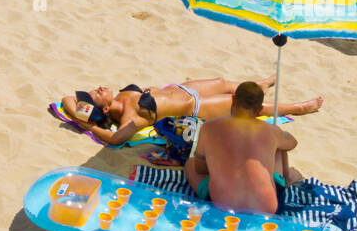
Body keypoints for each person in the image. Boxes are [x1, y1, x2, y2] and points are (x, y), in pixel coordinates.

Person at [62, 75, 322, 152]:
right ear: (105, 109)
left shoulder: (120, 96)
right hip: (196, 107)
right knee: (243, 104)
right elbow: (117, 139)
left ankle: (261, 84)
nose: (97, 88)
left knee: (223, 82)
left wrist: (78, 111)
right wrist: (87, 124)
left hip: (185, 89)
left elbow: (66, 100)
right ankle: (298, 107)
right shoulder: (132, 117)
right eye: (95, 95)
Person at [185, 82, 303, 213]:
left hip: (222, 207)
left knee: (190, 164)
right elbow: (292, 143)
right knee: (280, 149)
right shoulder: (271, 131)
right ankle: (287, 180)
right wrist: (280, 135)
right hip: (268, 210)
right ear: (260, 109)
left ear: (233, 100)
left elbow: (200, 169)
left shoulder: (209, 127)